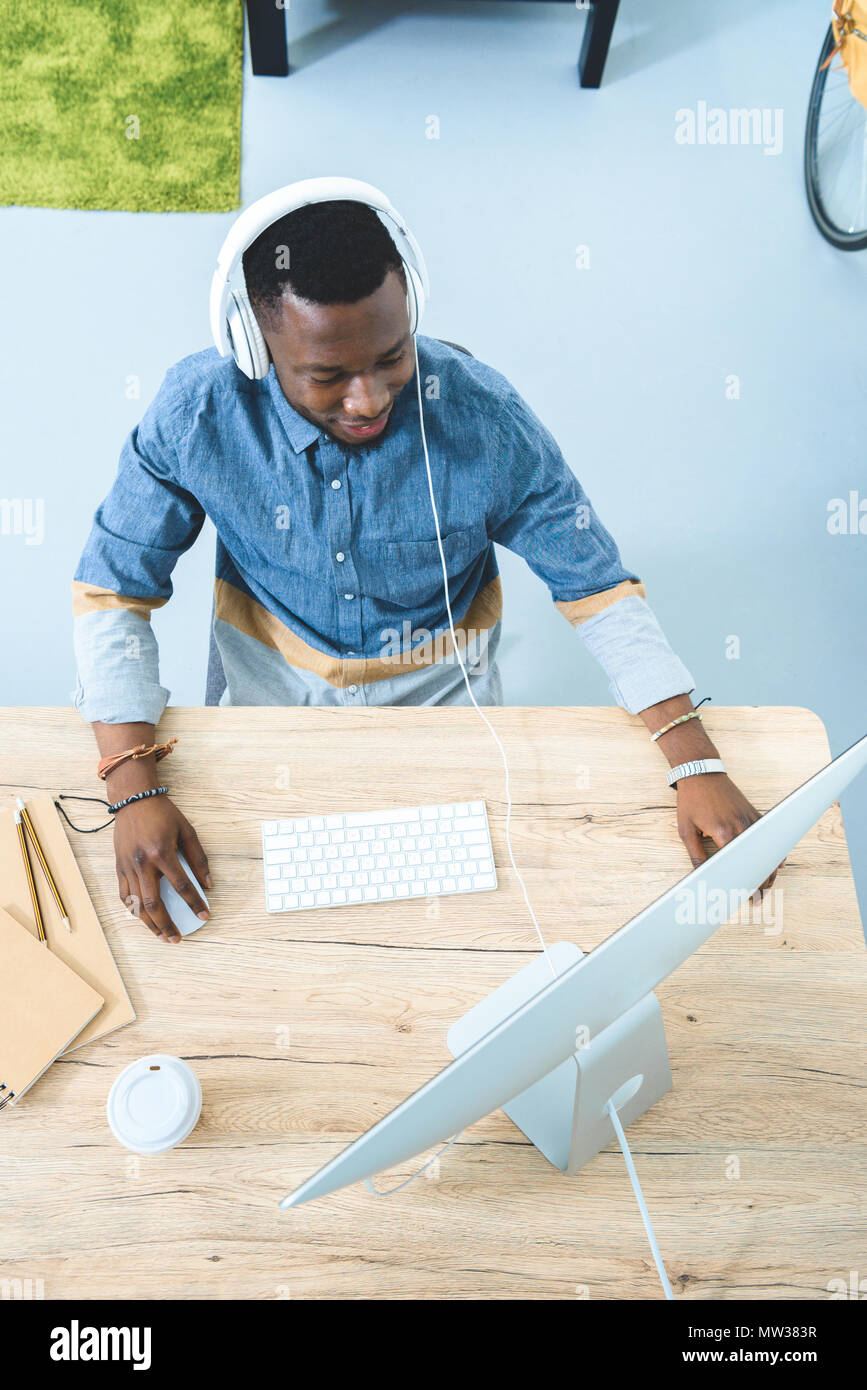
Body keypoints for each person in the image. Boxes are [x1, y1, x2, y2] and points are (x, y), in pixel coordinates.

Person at [72, 194, 778, 943]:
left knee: (462, 927)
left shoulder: (482, 415)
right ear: (253, 346)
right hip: (266, 692)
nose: (368, 398)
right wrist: (130, 782)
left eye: (390, 357)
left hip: (443, 694)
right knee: (255, 929)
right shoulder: (198, 414)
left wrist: (692, 764)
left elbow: (596, 587)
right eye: (327, 375)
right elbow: (113, 589)